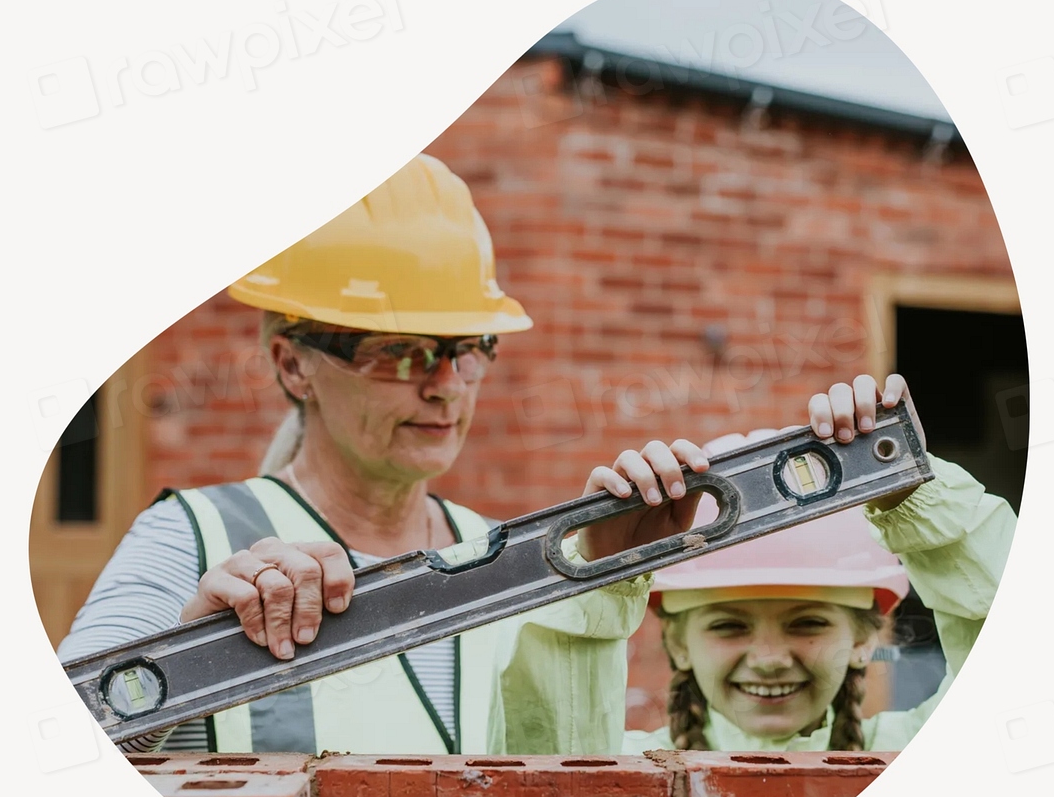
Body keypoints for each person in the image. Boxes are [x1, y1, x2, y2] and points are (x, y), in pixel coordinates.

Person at [57, 153, 711, 758]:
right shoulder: (193, 541)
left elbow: (561, 791)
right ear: (293, 366)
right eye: (402, 352)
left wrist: (594, 576)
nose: (447, 385)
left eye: (469, 348)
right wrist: (189, 657)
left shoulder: (503, 554)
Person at [623, 377, 1017, 753]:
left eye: (808, 622)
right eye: (728, 626)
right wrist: (592, 592)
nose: (770, 659)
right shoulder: (620, 761)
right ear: (677, 642)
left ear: (864, 639)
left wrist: (909, 488)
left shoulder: (920, 752)